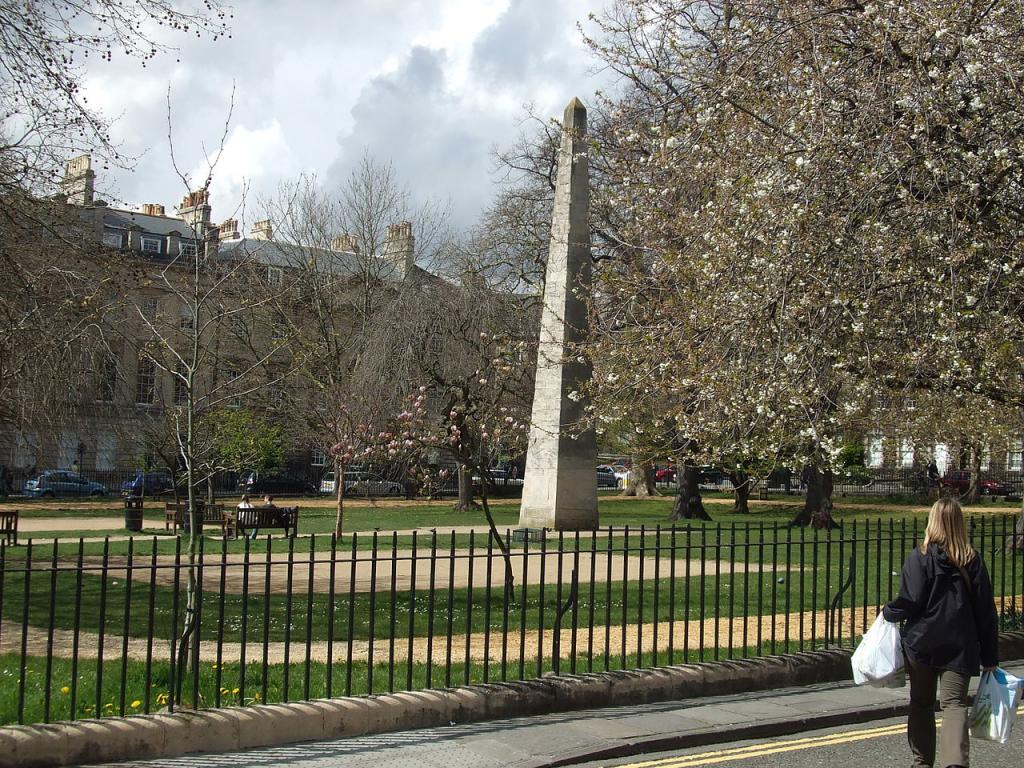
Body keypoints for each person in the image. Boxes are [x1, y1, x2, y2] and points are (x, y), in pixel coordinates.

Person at [883, 497, 998, 768]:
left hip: (921, 644)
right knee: (955, 704)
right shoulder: (972, 560)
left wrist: (888, 612)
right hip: (960, 644)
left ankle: (922, 762)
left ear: (932, 520)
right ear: (960, 523)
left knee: (921, 703)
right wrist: (990, 656)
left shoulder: (919, 557)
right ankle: (954, 763)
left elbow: (910, 600)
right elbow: (985, 612)